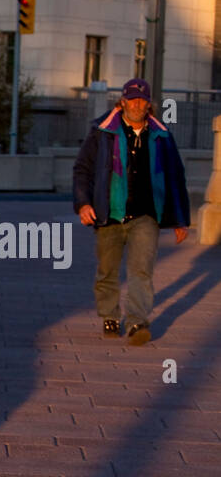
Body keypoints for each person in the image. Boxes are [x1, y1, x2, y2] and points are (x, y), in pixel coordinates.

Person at [72, 78, 189, 346]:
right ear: (122, 101)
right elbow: (82, 170)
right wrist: (83, 203)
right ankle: (110, 316)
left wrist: (180, 219)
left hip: (145, 216)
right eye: (132, 99)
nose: (137, 104)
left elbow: (175, 177)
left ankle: (137, 321)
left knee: (142, 271)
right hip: (109, 212)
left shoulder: (161, 137)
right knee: (107, 271)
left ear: (149, 104)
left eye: (142, 100)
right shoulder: (102, 132)